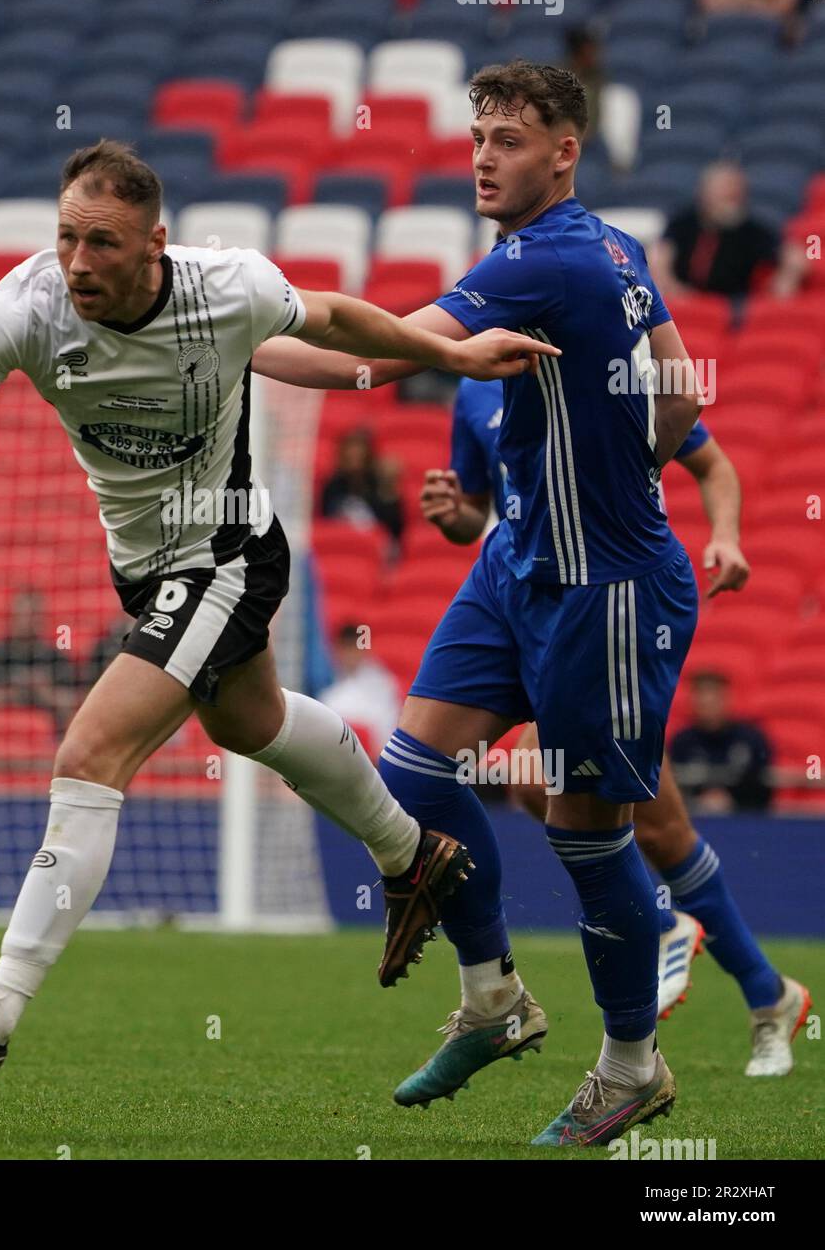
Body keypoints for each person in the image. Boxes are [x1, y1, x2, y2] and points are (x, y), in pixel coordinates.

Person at [0, 138, 558, 1093]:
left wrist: (452, 353)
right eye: (66, 238)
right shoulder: (24, 308)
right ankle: (411, 850)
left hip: (223, 551)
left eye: (103, 243)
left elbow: (340, 319)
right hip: (143, 571)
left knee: (88, 755)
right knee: (250, 722)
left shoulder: (226, 289)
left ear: (155, 244)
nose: (79, 262)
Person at [256, 59, 707, 1148]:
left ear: (564, 150)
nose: (483, 157)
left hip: (602, 589)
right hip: (516, 567)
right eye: (476, 138)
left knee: (585, 833)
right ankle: (496, 996)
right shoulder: (608, 244)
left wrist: (233, 349)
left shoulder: (548, 261)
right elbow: (683, 384)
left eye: (508, 138)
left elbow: (380, 350)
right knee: (412, 767)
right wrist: (620, 469)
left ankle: (631, 1067)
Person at [419, 378, 810, 1078]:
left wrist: (724, 536)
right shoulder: (474, 384)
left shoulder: (596, 369)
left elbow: (711, 459)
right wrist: (454, 514)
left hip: (609, 608)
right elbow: (480, 508)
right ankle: (761, 992)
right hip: (526, 601)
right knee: (563, 794)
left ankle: (699, 962)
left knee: (639, 821)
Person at [649, 162, 803, 301]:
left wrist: (785, 280)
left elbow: (794, 256)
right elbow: (659, 254)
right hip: (685, 297)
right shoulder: (684, 221)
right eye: (724, 192)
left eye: (735, 193)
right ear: (704, 193)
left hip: (733, 303)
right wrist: (670, 286)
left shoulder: (752, 229)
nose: (731, 198)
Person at [0, 590, 79, 730]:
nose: (27, 621)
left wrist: (43, 691)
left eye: (33, 615)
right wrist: (6, 693)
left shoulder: (56, 658)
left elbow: (74, 704)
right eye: (23, 615)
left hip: (47, 741)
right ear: (12, 616)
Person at [670, 670, 775, 814]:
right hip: (695, 821)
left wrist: (733, 800)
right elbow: (672, 791)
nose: (707, 707)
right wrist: (698, 801)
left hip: (745, 821)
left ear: (725, 699)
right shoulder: (681, 743)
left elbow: (765, 787)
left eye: (713, 700)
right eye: (702, 701)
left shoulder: (751, 739)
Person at [318, 623, 402, 757]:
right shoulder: (330, 693)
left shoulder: (382, 685)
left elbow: (386, 729)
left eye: (354, 648)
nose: (350, 655)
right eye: (346, 649)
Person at [319, 428, 406, 555]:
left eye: (359, 449)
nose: (354, 454)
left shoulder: (379, 484)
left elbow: (395, 530)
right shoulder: (332, 487)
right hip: (342, 548)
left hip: (375, 551)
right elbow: (326, 525)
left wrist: (390, 490)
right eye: (350, 449)